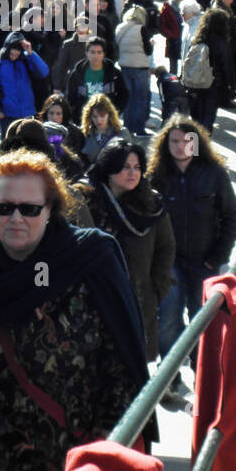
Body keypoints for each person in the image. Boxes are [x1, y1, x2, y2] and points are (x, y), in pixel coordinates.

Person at [0, 149, 148, 471]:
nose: (15, 218)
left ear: (50, 209)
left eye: (29, 208)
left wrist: (110, 447)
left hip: (79, 461)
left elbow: (123, 359)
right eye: (3, 208)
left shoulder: (92, 257)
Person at [148, 115, 236, 405]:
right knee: (169, 320)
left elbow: (232, 217)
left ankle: (204, 377)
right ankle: (170, 379)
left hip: (205, 261)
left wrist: (218, 256)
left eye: (186, 141)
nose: (180, 147)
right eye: (174, 141)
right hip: (170, 261)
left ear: (196, 142)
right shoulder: (157, 175)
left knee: (202, 321)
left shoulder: (213, 173)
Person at [78, 138, 175, 365]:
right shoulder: (86, 200)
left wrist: (157, 287)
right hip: (97, 302)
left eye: (137, 167)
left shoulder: (151, 204)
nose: (132, 173)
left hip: (140, 297)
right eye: (124, 167)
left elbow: (166, 247)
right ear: (109, 168)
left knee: (135, 362)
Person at [0, 31, 49, 137]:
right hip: (8, 115)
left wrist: (31, 52)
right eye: (12, 53)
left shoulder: (26, 59)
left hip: (28, 113)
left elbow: (44, 71)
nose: (14, 56)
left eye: (17, 54)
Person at [181, 5, 234, 132]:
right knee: (207, 119)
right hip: (213, 84)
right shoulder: (222, 42)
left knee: (195, 120)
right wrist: (230, 85)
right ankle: (202, 147)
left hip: (194, 82)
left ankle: (193, 148)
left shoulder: (197, 39)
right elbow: (226, 65)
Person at [64, 36, 129, 119]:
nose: (96, 56)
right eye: (92, 52)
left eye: (99, 52)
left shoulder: (114, 73)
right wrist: (76, 115)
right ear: (86, 53)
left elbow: (124, 95)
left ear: (103, 54)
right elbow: (70, 97)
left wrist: (114, 112)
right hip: (84, 119)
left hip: (106, 119)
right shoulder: (77, 73)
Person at [114, 4, 153, 137]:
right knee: (140, 99)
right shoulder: (141, 29)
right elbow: (148, 50)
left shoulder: (120, 27)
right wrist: (151, 44)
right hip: (140, 67)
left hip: (124, 66)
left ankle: (127, 128)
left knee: (128, 99)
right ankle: (139, 129)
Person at [78, 93, 131, 164]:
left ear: (109, 114)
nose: (99, 120)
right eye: (95, 116)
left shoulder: (122, 133)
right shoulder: (84, 134)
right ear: (89, 116)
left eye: (102, 116)